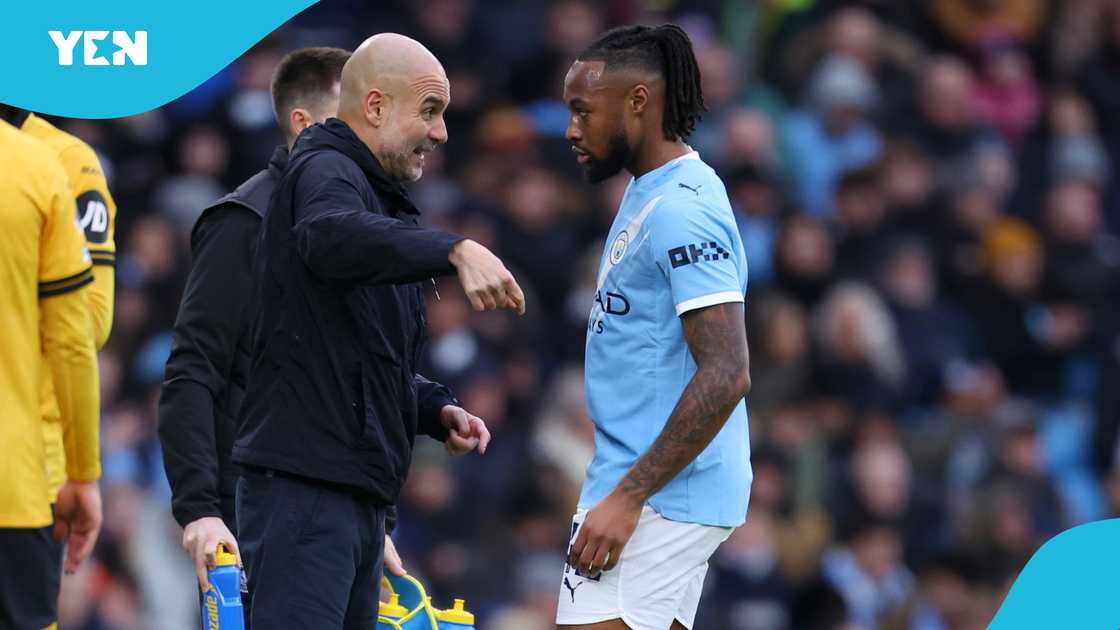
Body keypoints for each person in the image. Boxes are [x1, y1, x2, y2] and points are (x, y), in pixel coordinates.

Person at [234, 33, 524, 629]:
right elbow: (329, 235)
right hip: (307, 494)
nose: (442, 132)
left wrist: (431, 408)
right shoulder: (325, 168)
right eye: (430, 111)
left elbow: (353, 355)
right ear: (374, 107)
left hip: (351, 498)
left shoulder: (374, 199)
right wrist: (454, 249)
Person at [558, 24, 752, 630]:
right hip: (648, 487)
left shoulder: (682, 209)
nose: (571, 129)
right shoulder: (650, 191)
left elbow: (727, 372)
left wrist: (629, 496)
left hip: (659, 497)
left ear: (637, 101)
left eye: (583, 111)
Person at [157, 47, 364, 597]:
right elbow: (193, 369)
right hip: (253, 513)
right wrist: (200, 509)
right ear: (304, 124)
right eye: (356, 116)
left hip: (336, 513)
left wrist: (374, 519)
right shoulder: (244, 222)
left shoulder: (356, 225)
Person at [0, 103, 117, 630]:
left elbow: (90, 323)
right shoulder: (39, 167)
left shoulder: (69, 160)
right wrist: (84, 472)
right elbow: (78, 334)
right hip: (15, 476)